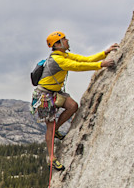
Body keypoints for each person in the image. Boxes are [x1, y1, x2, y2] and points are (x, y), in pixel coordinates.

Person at [31, 31, 119, 171]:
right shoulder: (58, 60)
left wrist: (104, 53)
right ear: (57, 44)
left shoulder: (63, 55)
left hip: (54, 92)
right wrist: (100, 65)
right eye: (64, 39)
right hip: (45, 95)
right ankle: (51, 158)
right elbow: (77, 66)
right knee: (50, 126)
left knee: (73, 106)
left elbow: (82, 59)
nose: (67, 41)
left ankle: (56, 130)